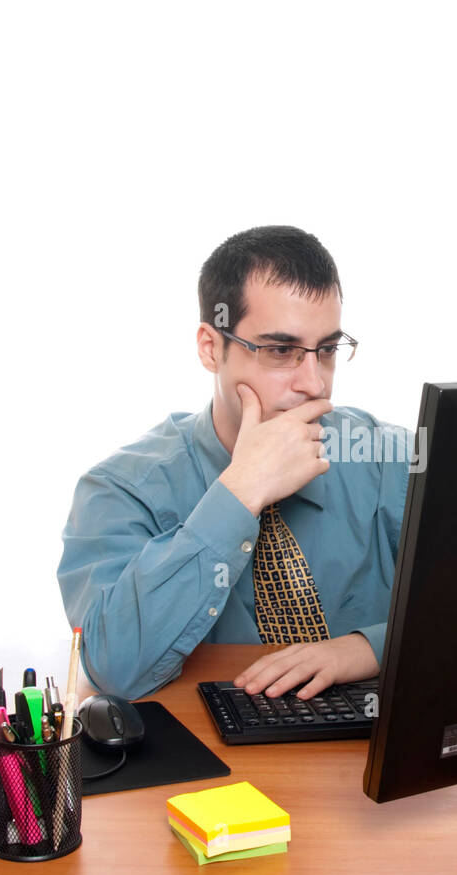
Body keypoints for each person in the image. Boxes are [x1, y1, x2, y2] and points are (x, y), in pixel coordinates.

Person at [57, 226, 411, 702]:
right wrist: (240, 492)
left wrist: (368, 649)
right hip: (210, 761)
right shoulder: (120, 490)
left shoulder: (385, 459)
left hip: (366, 758)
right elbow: (113, 669)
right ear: (210, 347)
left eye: (326, 351)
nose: (314, 384)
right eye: (281, 350)